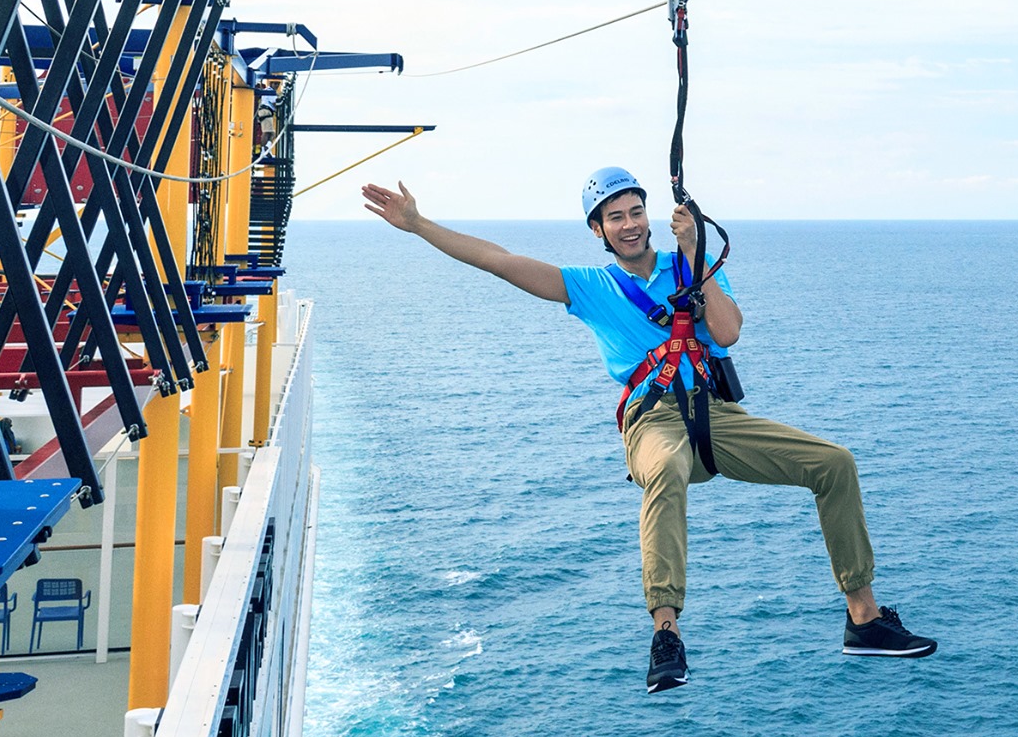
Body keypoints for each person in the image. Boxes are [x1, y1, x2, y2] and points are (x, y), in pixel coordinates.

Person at [361, 166, 936, 694]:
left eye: (636, 211)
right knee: (665, 469)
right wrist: (417, 225)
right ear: (598, 230)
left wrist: (694, 251)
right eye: (616, 217)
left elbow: (728, 333)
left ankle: (863, 618)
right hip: (653, 418)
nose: (630, 224)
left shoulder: (693, 266)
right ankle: (667, 634)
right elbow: (497, 258)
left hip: (715, 415)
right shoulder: (589, 287)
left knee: (833, 462)